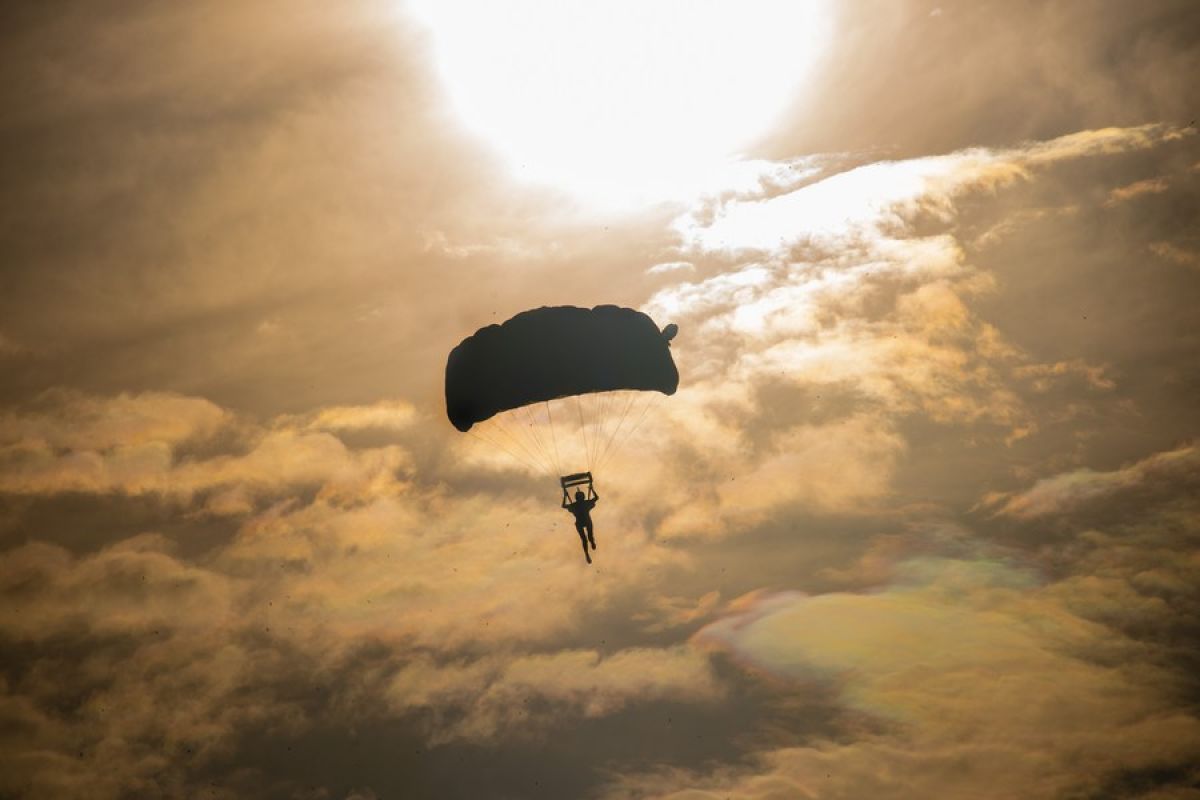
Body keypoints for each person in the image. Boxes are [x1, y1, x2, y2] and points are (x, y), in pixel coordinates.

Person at [562, 484, 599, 564]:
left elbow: (564, 505)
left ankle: (589, 548)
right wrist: (592, 489)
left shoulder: (575, 505)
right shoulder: (586, 503)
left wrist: (565, 496)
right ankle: (590, 546)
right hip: (585, 521)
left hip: (580, 522)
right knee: (588, 537)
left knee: (585, 539)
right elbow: (596, 498)